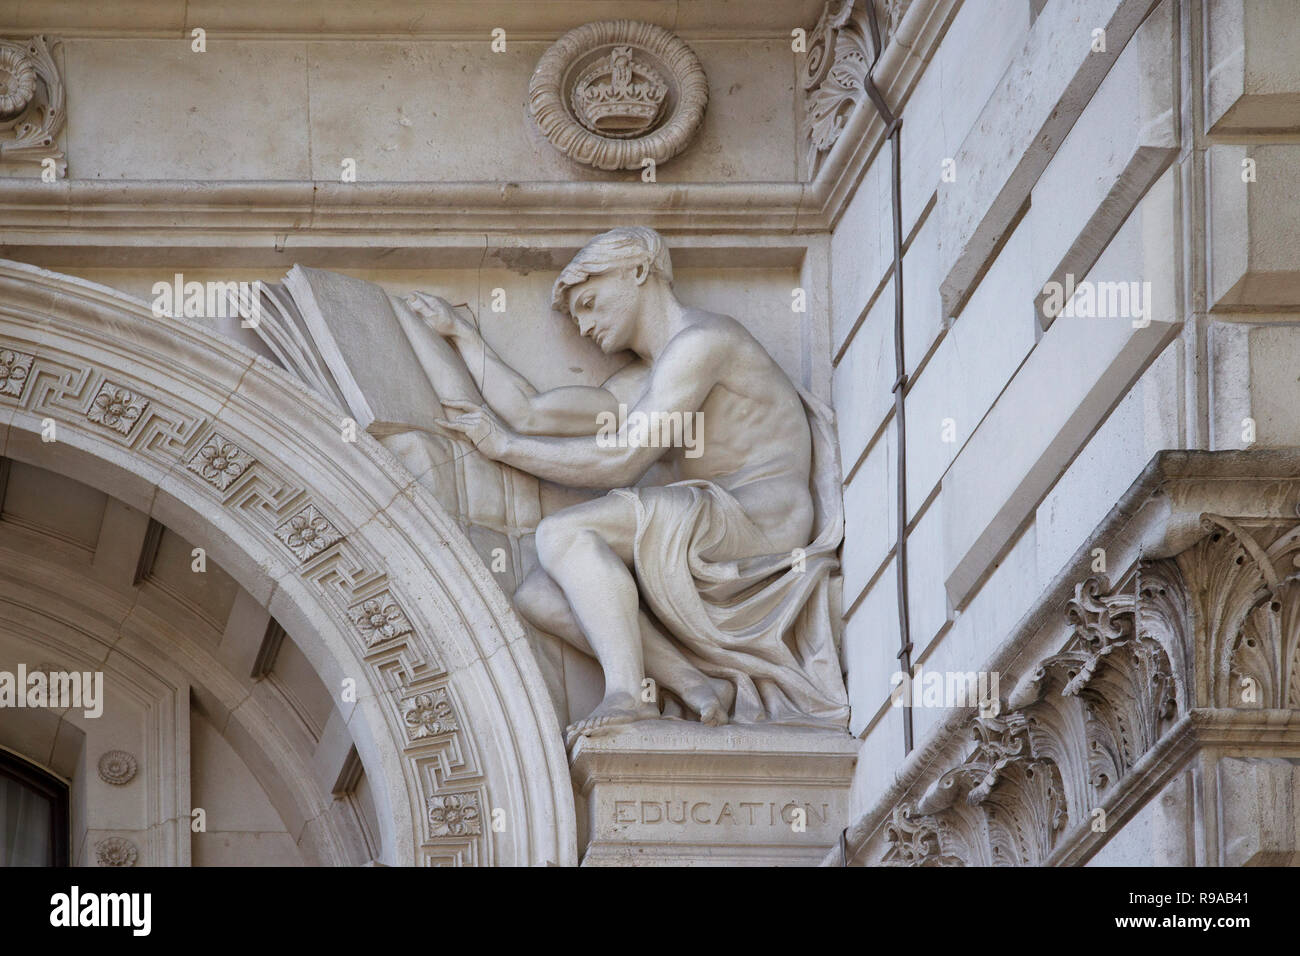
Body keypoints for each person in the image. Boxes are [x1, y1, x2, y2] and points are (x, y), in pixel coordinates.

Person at [408, 227, 847, 743]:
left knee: (562, 534)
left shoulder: (704, 343)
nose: (584, 325)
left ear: (638, 271)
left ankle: (627, 694)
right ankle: (696, 682)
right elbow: (532, 412)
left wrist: (504, 448)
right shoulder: (646, 378)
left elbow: (624, 460)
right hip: (713, 515)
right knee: (539, 595)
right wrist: (462, 337)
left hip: (759, 519)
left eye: (590, 303)